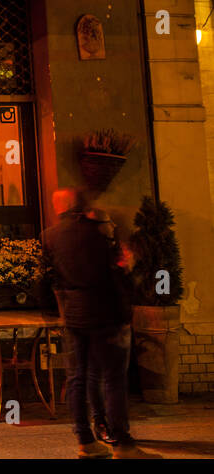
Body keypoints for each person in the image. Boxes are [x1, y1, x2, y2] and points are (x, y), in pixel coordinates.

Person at [41, 187, 142, 458]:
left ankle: (85, 441)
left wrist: (57, 310)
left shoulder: (50, 236)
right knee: (113, 378)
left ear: (58, 207)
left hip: (73, 315)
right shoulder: (95, 234)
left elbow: (46, 280)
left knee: (77, 377)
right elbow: (111, 278)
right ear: (79, 206)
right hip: (102, 313)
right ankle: (122, 443)